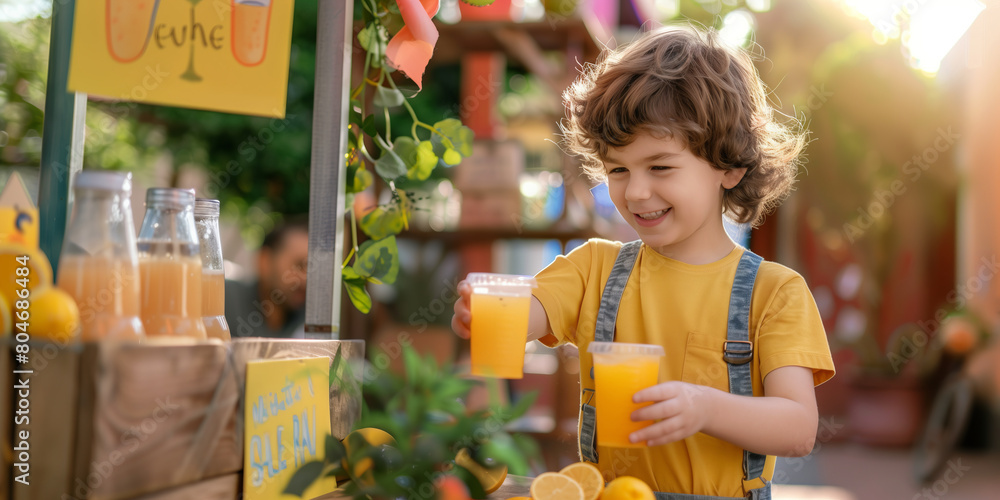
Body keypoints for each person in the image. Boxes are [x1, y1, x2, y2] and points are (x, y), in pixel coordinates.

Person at [452, 25, 835, 498]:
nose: (635, 192)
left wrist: (704, 407)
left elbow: (798, 428)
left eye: (660, 167)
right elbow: (526, 313)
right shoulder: (593, 269)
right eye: (618, 169)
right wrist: (482, 309)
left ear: (730, 166)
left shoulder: (774, 293)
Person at [226, 216, 309, 338]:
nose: (306, 278)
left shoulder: (308, 319)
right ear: (264, 261)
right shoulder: (224, 299)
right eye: (299, 265)